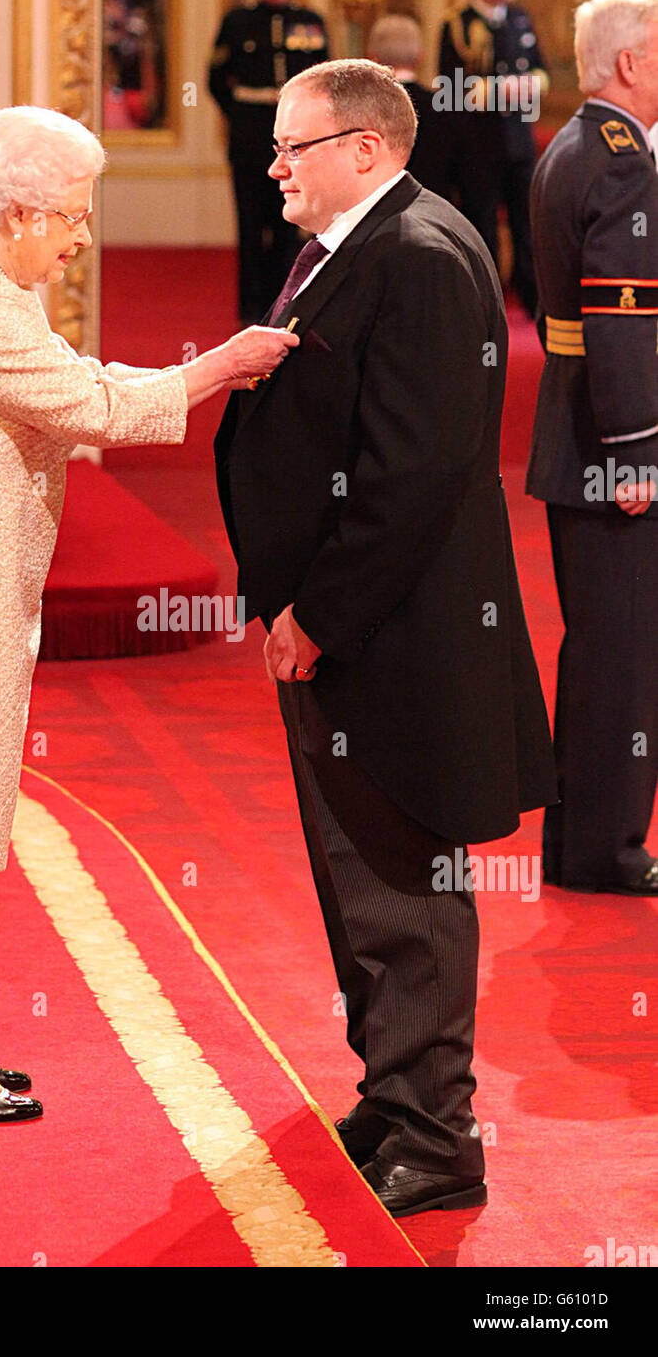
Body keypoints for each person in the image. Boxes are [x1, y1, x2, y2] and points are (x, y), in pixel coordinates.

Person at [0, 105, 297, 1125]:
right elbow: (94, 411)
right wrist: (223, 363)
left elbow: (74, 384)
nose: (82, 239)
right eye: (75, 218)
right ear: (24, 212)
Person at [214, 60, 557, 1217]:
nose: (274, 169)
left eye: (291, 148)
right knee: (360, 881)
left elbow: (409, 473)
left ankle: (438, 1132)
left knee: (404, 886)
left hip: (399, 645)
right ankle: (393, 1090)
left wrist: (317, 615)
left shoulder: (417, 254)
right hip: (364, 634)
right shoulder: (371, 239)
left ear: (364, 146)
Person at [527, 0, 658, 896]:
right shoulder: (619, 164)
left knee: (600, 646)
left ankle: (582, 841)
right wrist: (636, 451)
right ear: (629, 65)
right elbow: (621, 318)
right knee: (622, 655)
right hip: (610, 441)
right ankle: (604, 852)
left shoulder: (574, 145)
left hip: (576, 430)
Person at [208, 0, 328, 325]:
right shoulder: (237, 20)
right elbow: (215, 79)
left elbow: (325, 77)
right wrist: (242, 116)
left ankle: (282, 306)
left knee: (288, 225)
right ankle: (249, 312)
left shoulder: (310, 20)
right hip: (249, 137)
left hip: (297, 141)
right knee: (249, 226)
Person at [439, 0, 547, 314]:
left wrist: (527, 86)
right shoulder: (457, 24)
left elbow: (540, 73)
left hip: (519, 142)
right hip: (478, 145)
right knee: (481, 224)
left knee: (525, 223)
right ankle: (485, 301)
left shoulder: (520, 19)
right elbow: (450, 90)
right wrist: (502, 90)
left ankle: (531, 297)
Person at [368, 13, 457, 202]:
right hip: (434, 216)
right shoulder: (445, 108)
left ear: (372, 58)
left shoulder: (361, 110)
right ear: (420, 57)